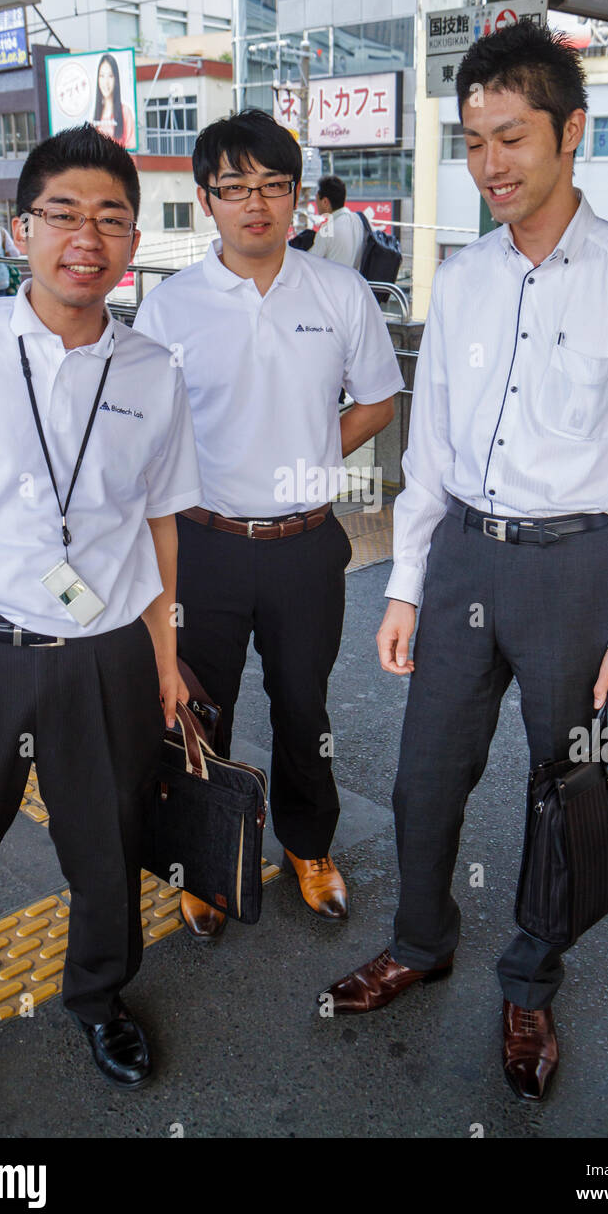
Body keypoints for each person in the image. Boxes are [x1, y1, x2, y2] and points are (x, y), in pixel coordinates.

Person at [322, 21, 608, 1102]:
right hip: (462, 566)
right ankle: (420, 939)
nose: (490, 163)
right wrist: (402, 582)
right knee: (424, 771)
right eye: (474, 139)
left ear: (570, 132)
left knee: (557, 788)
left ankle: (530, 978)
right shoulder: (465, 280)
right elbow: (428, 452)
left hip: (576, 569)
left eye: (512, 136)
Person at [0, 124, 202, 1114]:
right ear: (23, 228)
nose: (88, 235)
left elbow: (157, 523)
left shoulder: (153, 369)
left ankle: (98, 996)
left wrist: (162, 650)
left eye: (113, 217)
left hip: (103, 655)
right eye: (64, 212)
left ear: (132, 241)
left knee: (107, 847)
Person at [134, 108, 403, 938]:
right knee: (194, 707)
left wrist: (318, 456)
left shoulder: (339, 291)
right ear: (206, 200)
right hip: (203, 544)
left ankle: (310, 848)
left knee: (303, 705)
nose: (257, 203)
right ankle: (205, 859)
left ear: (298, 198)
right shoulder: (169, 305)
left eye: (274, 186)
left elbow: (379, 399)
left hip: (304, 543)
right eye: (235, 187)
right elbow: (141, 427)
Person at [308, 175, 366, 269]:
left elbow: (309, 264)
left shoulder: (327, 231)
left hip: (332, 282)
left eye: (317, 199)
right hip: (356, 281)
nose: (316, 203)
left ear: (325, 202)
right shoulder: (359, 220)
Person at [93, 53, 136, 150]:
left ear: (116, 79)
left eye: (110, 76)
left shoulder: (125, 112)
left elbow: (131, 146)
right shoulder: (94, 117)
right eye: (102, 76)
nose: (106, 82)